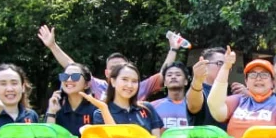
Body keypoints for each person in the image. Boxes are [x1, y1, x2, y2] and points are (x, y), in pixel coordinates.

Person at [37, 25, 185, 101]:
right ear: (107, 73)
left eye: (121, 67)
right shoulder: (98, 86)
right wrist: (52, 46)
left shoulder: (137, 87)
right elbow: (73, 68)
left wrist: (173, 49)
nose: (118, 71)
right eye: (114, 68)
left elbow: (162, 75)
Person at [45, 62, 96, 137]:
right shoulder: (57, 108)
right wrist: (51, 112)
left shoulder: (95, 109)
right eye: (65, 76)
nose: (68, 79)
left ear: (86, 84)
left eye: (75, 76)